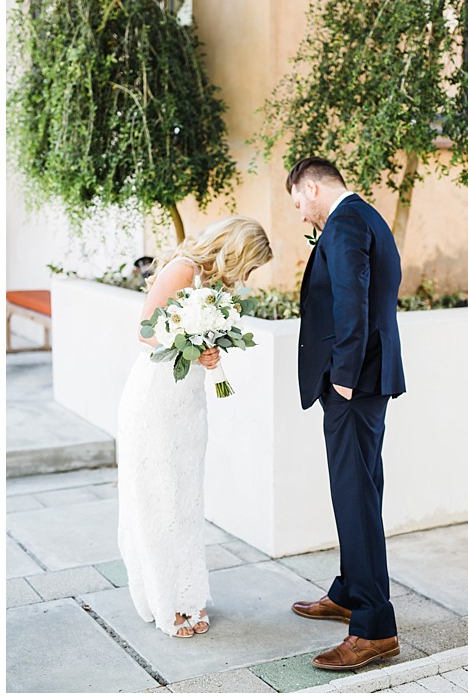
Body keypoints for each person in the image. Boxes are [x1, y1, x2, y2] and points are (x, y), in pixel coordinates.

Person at [116, 216, 273, 638]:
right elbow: (146, 331)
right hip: (155, 396)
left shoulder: (216, 285)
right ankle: (167, 603)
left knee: (186, 499)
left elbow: (200, 339)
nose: (248, 275)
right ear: (236, 250)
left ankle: (189, 595)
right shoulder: (183, 268)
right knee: (160, 496)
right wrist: (190, 343)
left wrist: (207, 353)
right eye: (251, 265)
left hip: (188, 400)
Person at [285, 157, 407, 671]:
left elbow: (352, 301)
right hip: (363, 380)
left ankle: (374, 627)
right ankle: (351, 592)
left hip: (354, 384)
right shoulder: (364, 216)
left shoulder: (347, 222)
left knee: (354, 495)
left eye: (298, 203)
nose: (301, 216)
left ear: (312, 188)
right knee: (357, 489)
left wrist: (344, 376)